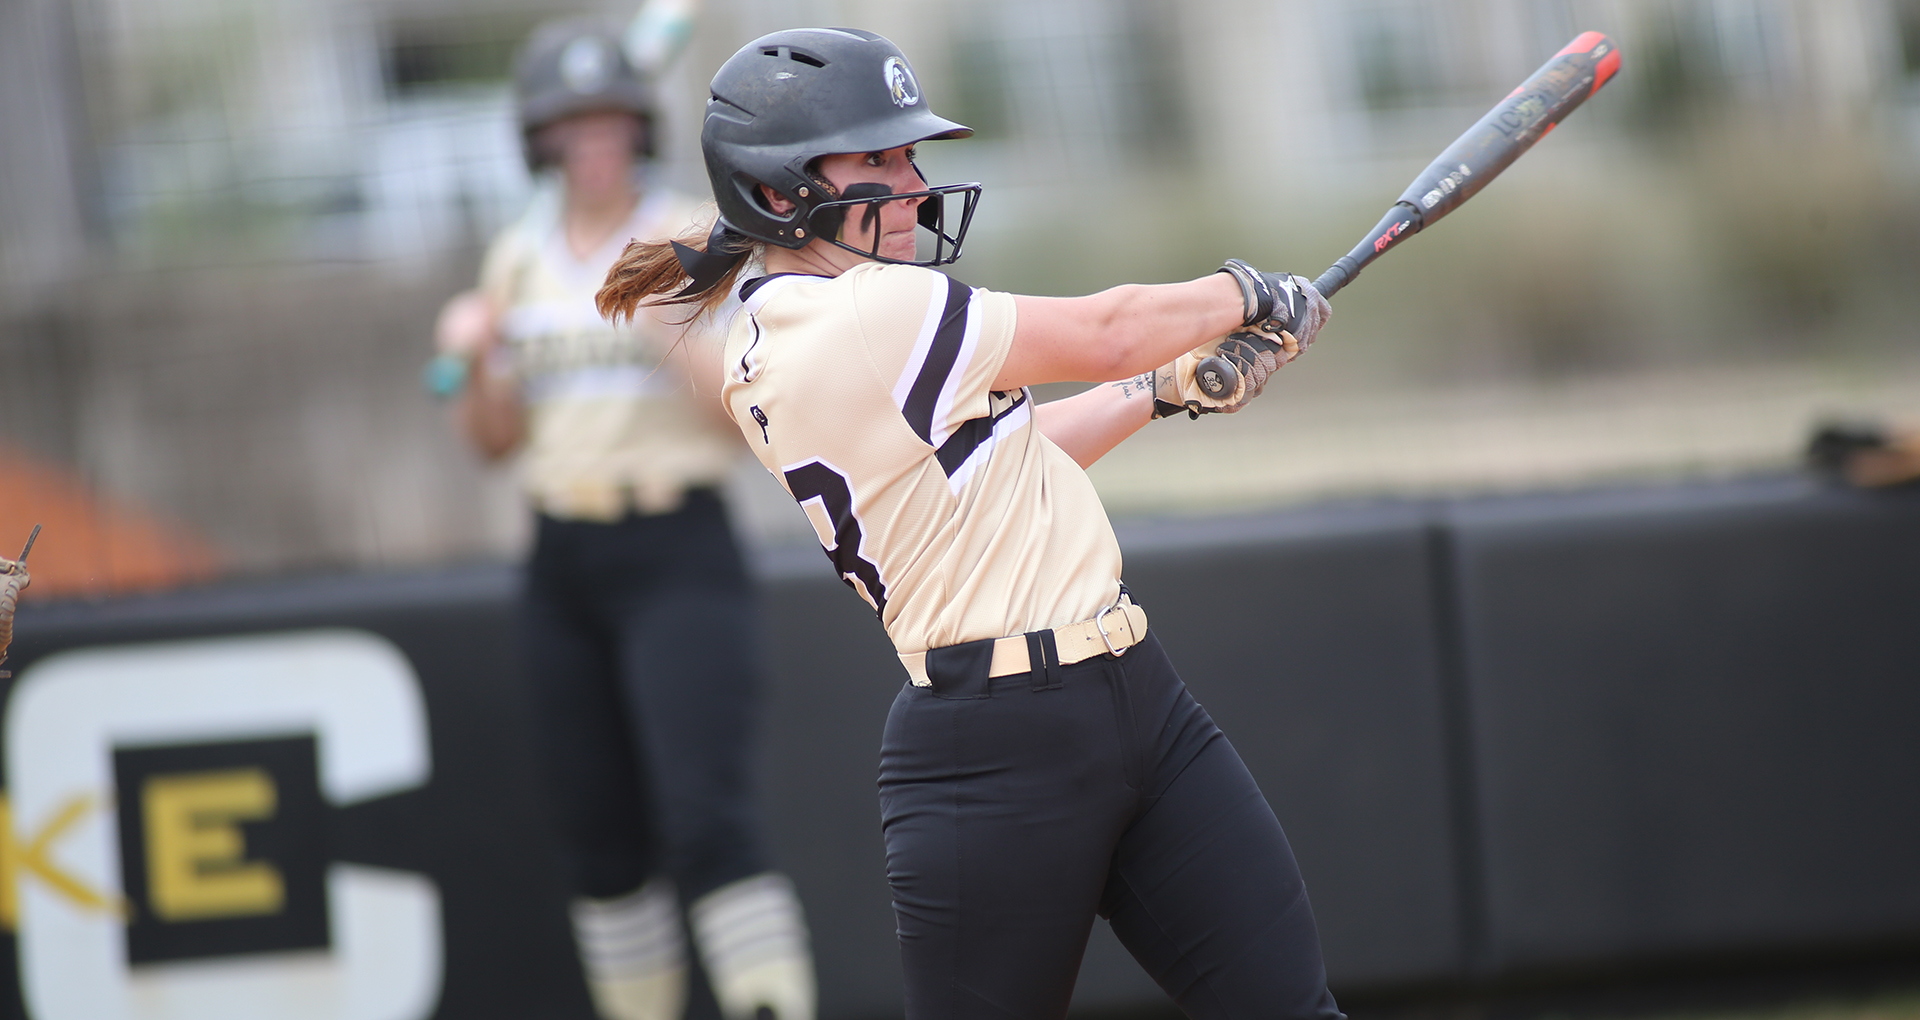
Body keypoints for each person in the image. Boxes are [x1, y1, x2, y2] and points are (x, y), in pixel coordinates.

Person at [597, 27, 1341, 1020]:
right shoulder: (858, 317)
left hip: (1139, 702)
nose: (910, 183)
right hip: (996, 748)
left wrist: (1163, 392)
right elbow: (1105, 326)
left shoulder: (797, 325)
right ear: (778, 192)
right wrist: (1252, 293)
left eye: (909, 155)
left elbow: (1010, 456)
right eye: (877, 159)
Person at [432, 19, 814, 1020]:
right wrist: (476, 359)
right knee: (599, 838)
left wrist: (668, 320)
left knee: (705, 820)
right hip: (561, 558)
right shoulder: (515, 257)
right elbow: (493, 441)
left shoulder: (692, 234)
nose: (592, 140)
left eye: (609, 119)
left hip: (676, 547)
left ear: (637, 125)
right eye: (571, 122)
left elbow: (742, 420)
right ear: (540, 138)